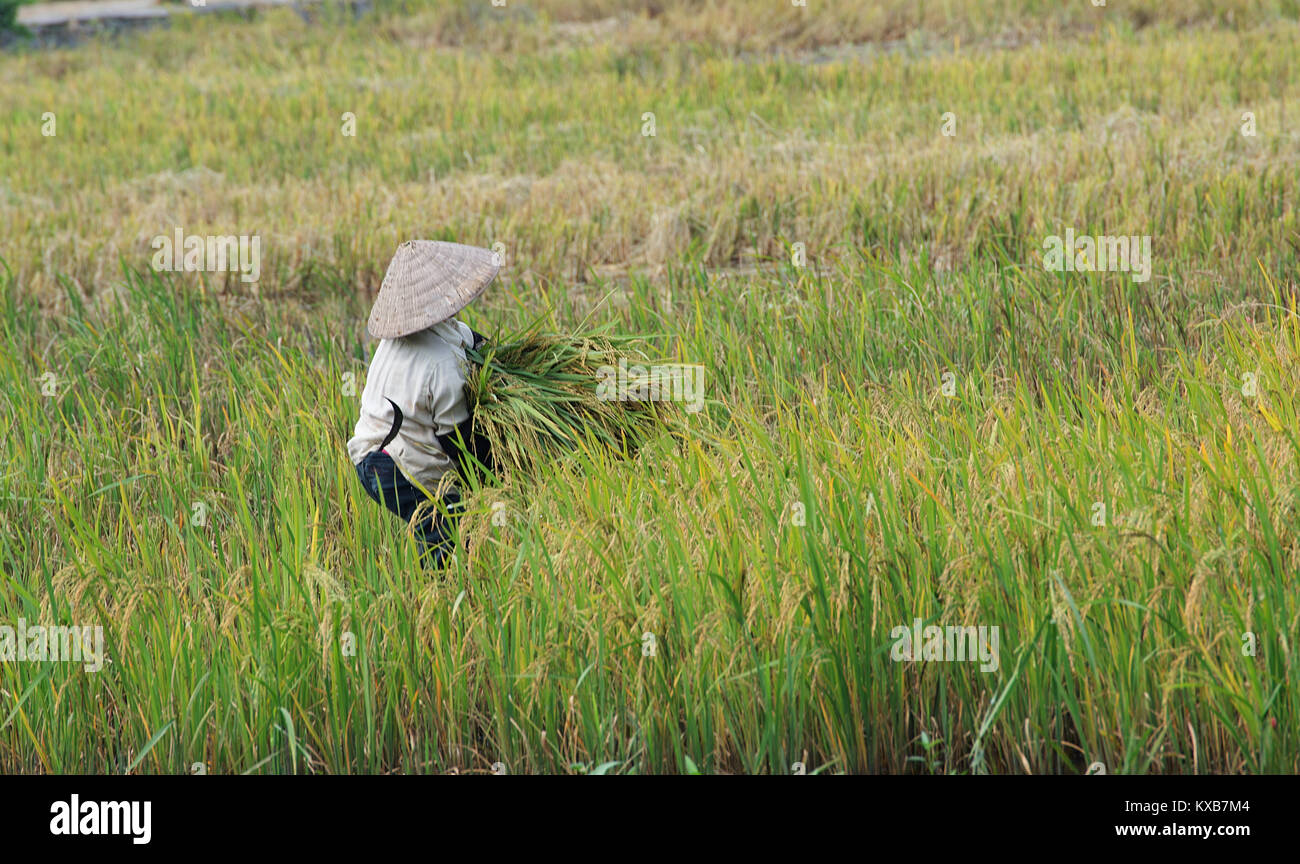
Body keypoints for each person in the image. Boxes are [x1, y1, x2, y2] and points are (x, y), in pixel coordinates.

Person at [347, 240, 497, 567]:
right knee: (444, 525)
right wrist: (494, 476)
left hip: (375, 445)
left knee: (457, 523)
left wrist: (506, 362)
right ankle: (437, 600)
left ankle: (465, 581)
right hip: (388, 465)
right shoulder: (443, 368)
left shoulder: (415, 331)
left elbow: (473, 341)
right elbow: (458, 440)